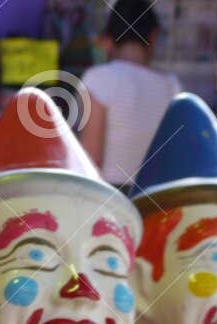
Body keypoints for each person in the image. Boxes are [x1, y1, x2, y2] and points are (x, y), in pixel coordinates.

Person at [78, 0, 180, 188]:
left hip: (111, 197)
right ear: (154, 36)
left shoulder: (98, 78)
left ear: (107, 41)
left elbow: (91, 158)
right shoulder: (171, 86)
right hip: (156, 197)